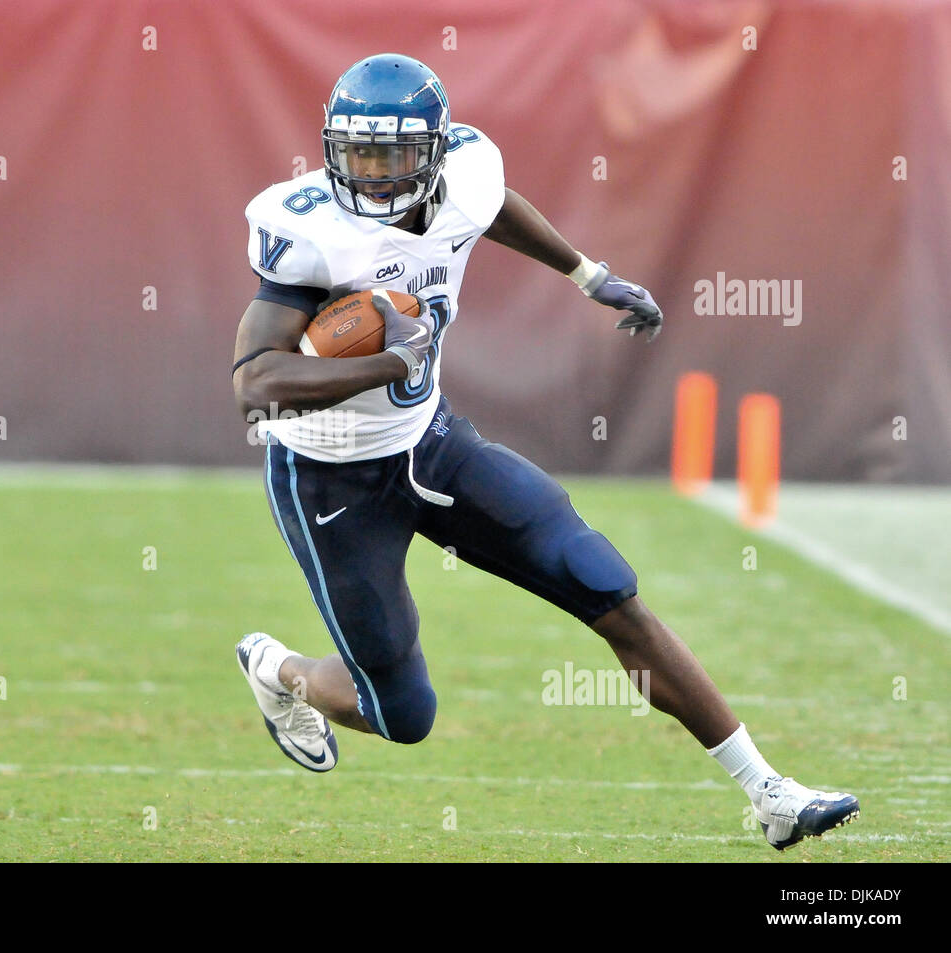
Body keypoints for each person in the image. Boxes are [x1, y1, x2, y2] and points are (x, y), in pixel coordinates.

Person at [231, 54, 856, 850]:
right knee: (401, 714)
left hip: (429, 441)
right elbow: (256, 385)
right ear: (330, 148)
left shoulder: (464, 175)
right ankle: (278, 670)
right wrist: (389, 361)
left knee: (603, 581)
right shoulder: (308, 230)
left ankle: (770, 791)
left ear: (432, 154)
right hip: (327, 479)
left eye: (393, 158)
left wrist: (588, 274)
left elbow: (487, 209)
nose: (375, 175)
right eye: (359, 154)